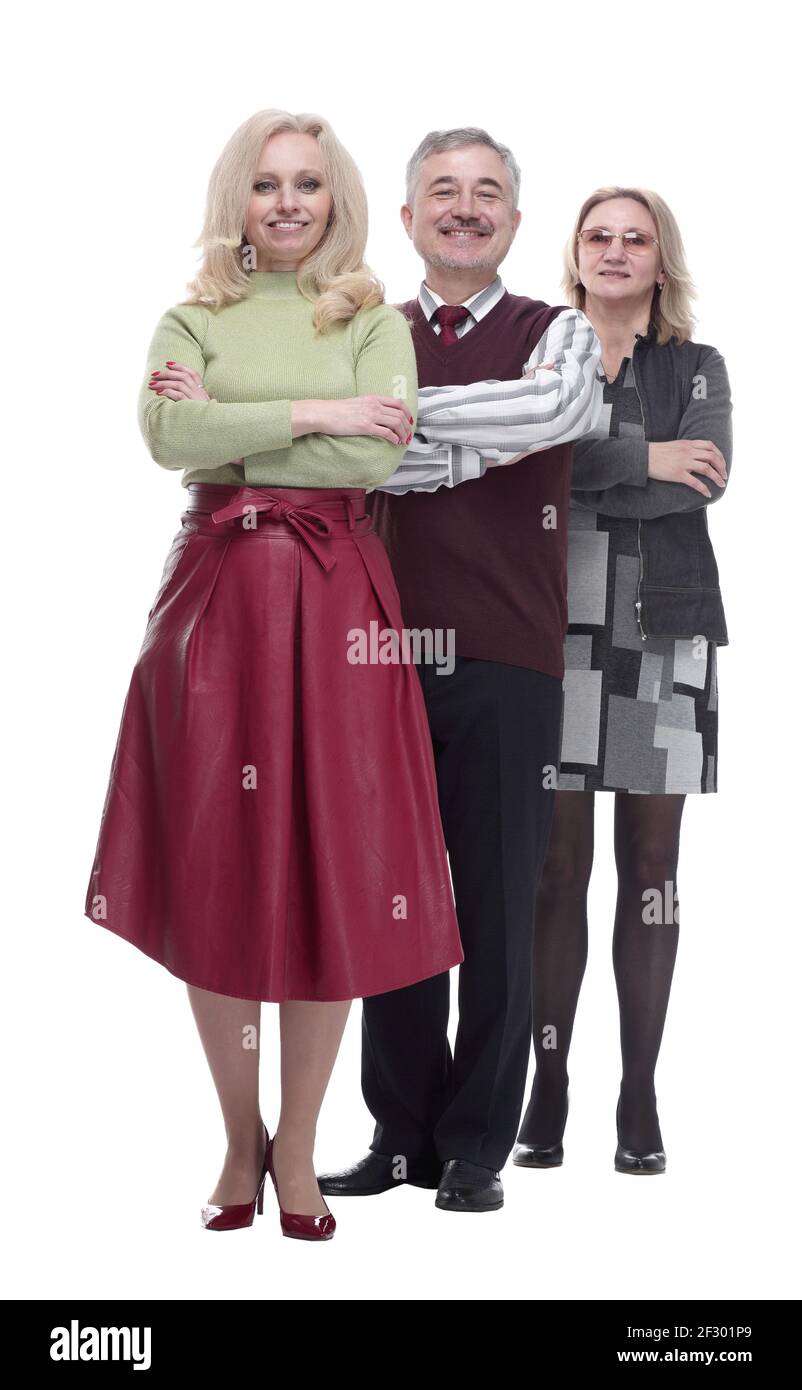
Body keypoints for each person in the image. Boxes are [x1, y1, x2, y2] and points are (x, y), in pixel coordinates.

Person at [83, 108, 464, 1243]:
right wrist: (315, 410)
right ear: (236, 202)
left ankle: (296, 1145)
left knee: (334, 863)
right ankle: (235, 1130)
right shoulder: (190, 311)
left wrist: (243, 430)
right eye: (266, 185)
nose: (287, 203)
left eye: (308, 183)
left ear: (337, 198)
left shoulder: (371, 318)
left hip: (339, 599)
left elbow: (379, 451)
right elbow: (163, 434)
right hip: (213, 608)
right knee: (219, 861)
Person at [316, 128, 603, 1212]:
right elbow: (323, 455)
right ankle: (401, 1133)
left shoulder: (557, 330)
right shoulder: (362, 331)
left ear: (515, 223)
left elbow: (560, 409)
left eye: (487, 193)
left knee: (492, 898)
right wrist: (450, 441)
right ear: (407, 218)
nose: (465, 207)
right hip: (373, 652)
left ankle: (478, 1143)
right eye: (443, 190)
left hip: (505, 652)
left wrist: (390, 430)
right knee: (389, 902)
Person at [511, 187, 732, 1174]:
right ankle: (547, 1081)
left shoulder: (697, 365)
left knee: (651, 871)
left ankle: (638, 1091)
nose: (613, 249)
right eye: (596, 235)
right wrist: (642, 455)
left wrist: (592, 460)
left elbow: (705, 475)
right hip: (547, 624)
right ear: (575, 253)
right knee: (553, 870)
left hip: (663, 631)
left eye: (632, 237)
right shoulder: (540, 355)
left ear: (658, 258)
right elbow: (526, 468)